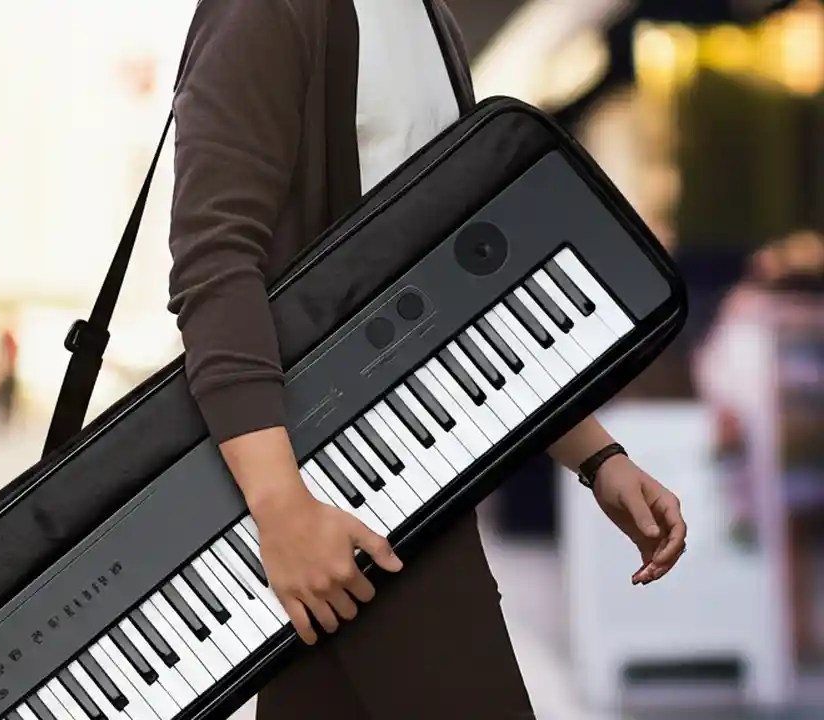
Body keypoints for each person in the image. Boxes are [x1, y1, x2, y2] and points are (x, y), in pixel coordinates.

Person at [165, 1, 690, 717]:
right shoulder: (269, 11)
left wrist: (597, 457)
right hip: (346, 506)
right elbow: (214, 264)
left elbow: (459, 289)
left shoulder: (427, 17)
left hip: (424, 486)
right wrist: (281, 507)